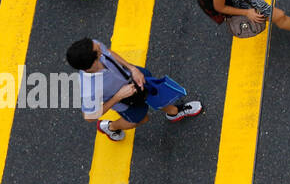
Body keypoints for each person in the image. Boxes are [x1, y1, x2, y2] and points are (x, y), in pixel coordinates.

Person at [68, 38, 202, 141]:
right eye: (99, 51)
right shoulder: (89, 89)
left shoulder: (93, 46)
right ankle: (110, 127)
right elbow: (90, 117)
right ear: (92, 63)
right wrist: (118, 97)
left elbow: (110, 52)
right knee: (141, 119)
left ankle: (174, 112)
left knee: (156, 94)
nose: (101, 48)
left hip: (133, 77)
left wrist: (132, 68)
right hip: (125, 102)